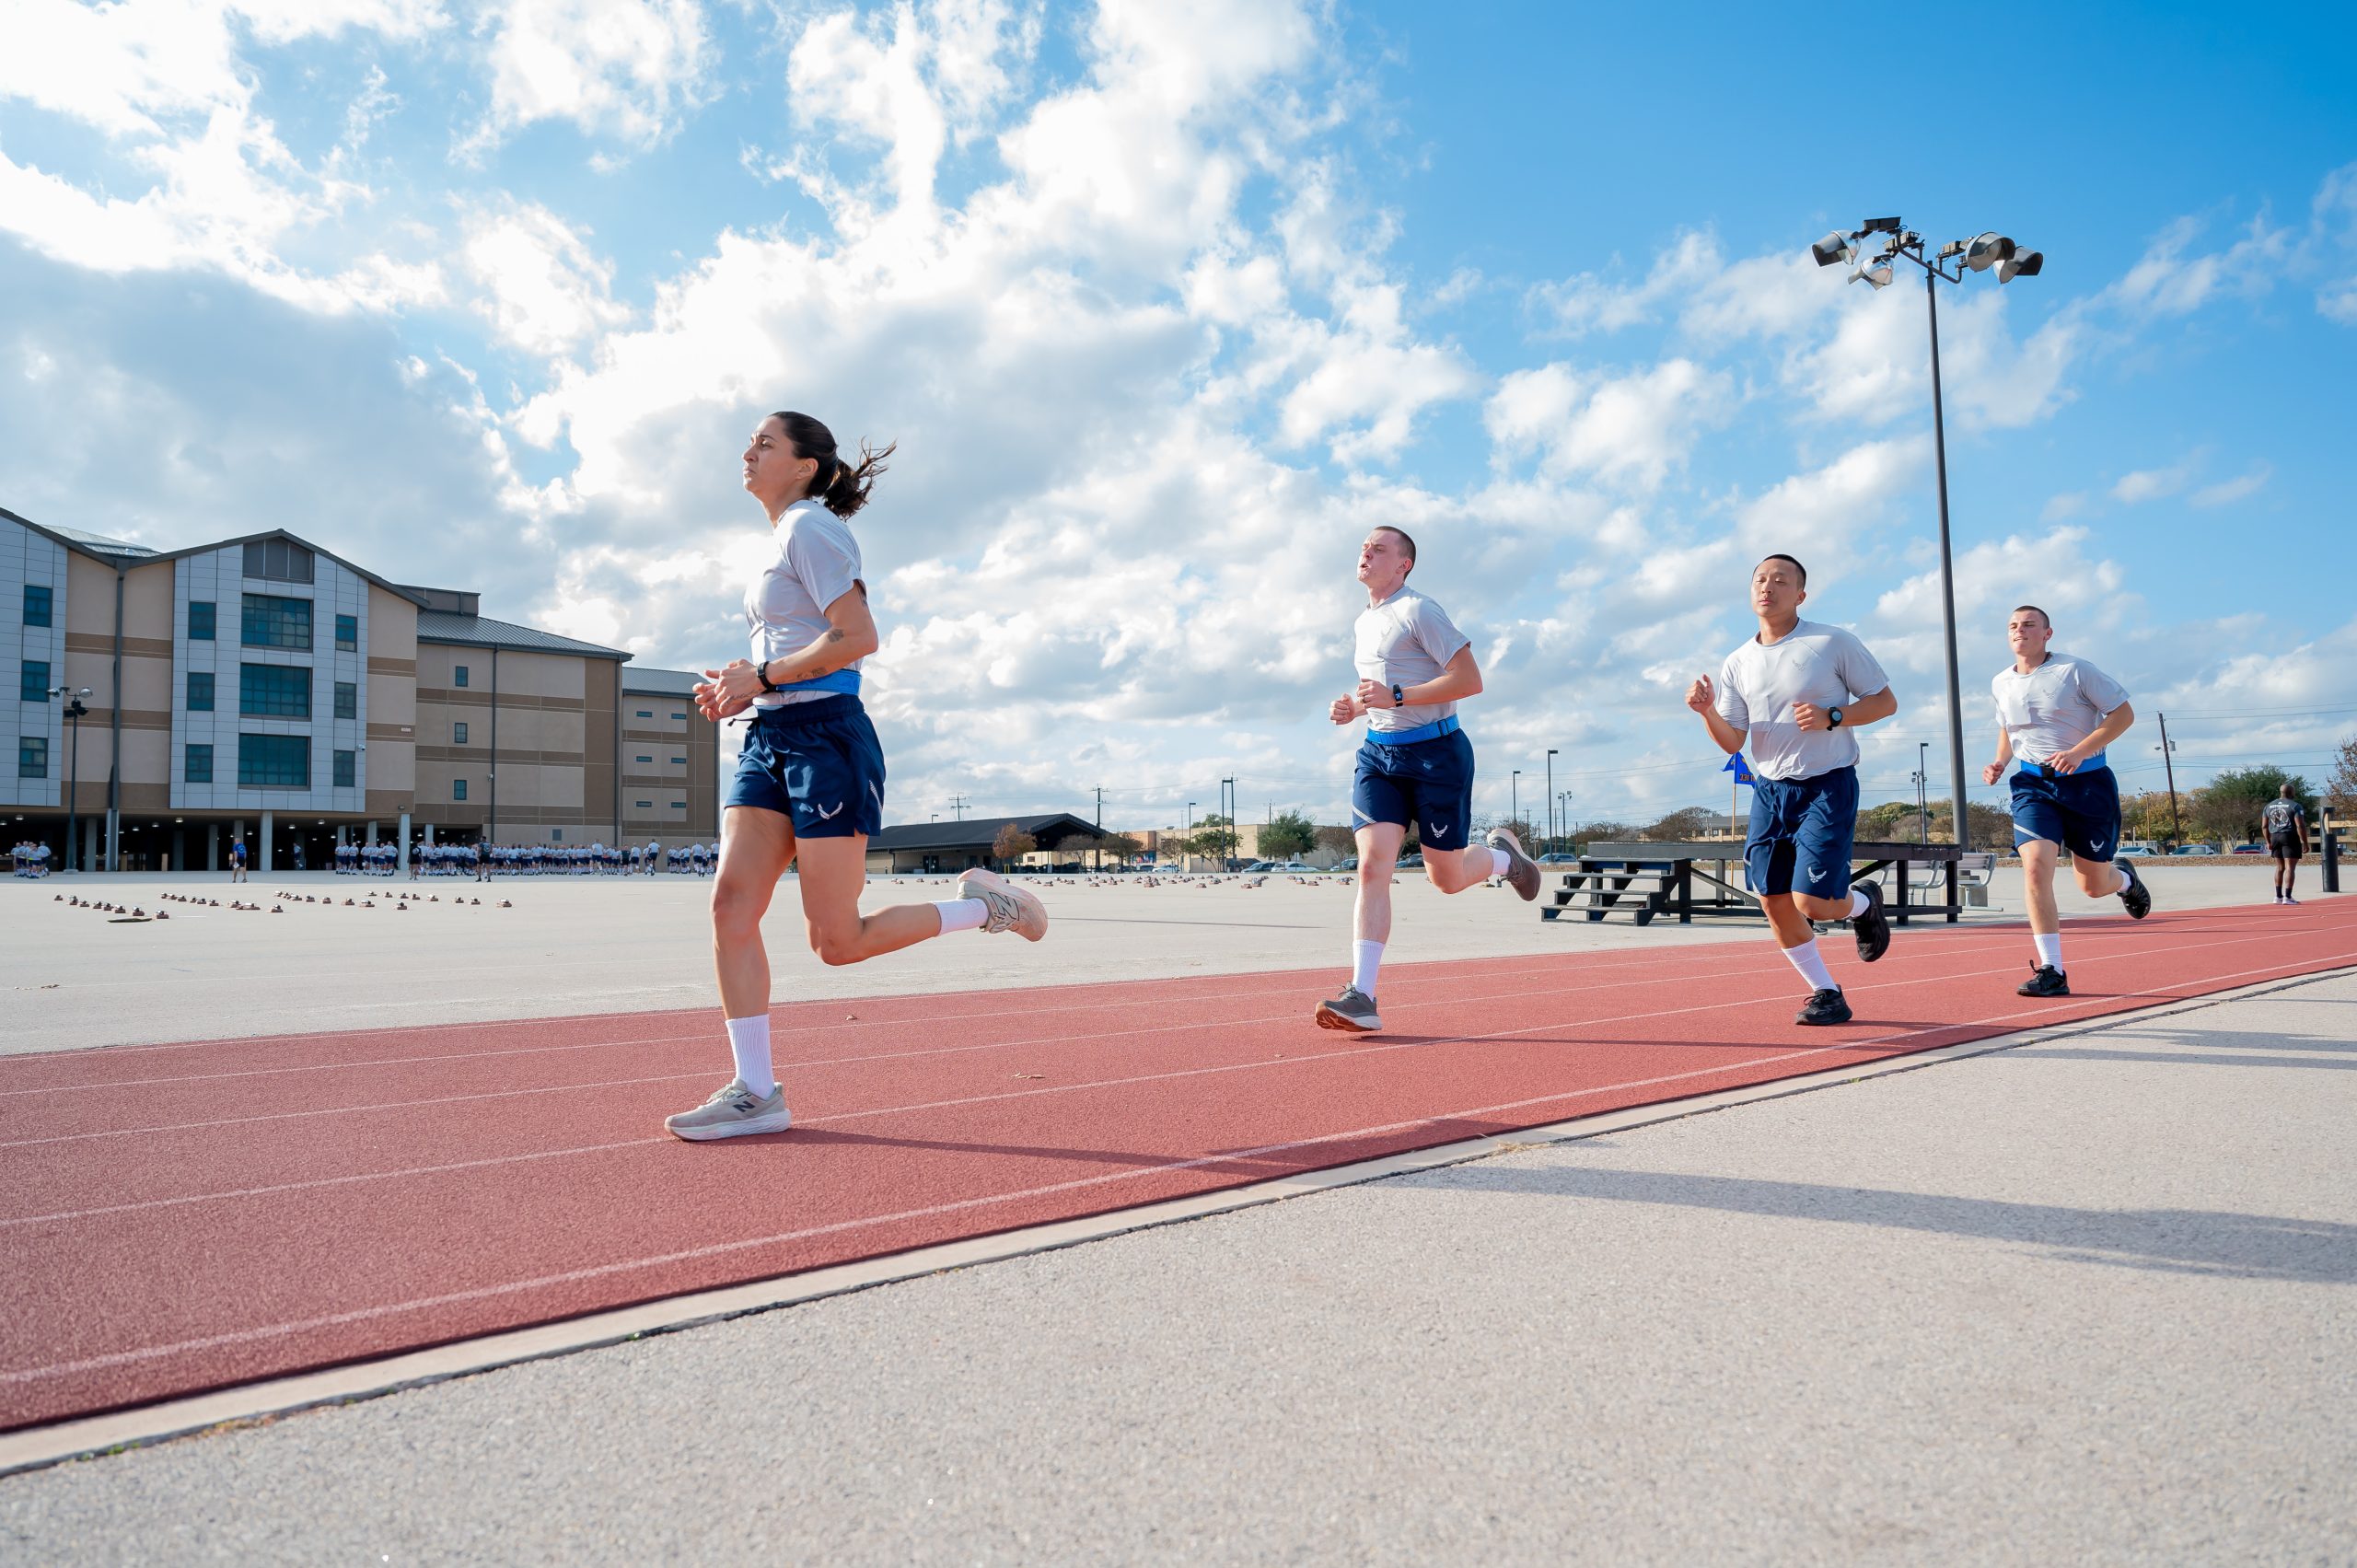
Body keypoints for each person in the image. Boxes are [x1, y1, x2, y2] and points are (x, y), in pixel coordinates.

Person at [667, 411, 1050, 1142]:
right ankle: (756, 1091)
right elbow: (791, 648)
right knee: (730, 907)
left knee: (836, 941)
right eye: (750, 442)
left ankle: (987, 906)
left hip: (827, 741)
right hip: (768, 736)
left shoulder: (812, 527)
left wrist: (766, 673)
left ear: (804, 465)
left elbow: (858, 637)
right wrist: (743, 685)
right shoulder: (778, 541)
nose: (747, 452)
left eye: (765, 444)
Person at [1314, 526, 1539, 1035]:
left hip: (1439, 754)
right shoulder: (1363, 621)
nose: (1366, 553)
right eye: (1364, 547)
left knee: (1447, 879)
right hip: (1379, 755)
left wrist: (1396, 697)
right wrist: (1355, 706)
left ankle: (1504, 858)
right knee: (1373, 866)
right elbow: (1381, 689)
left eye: (1379, 548)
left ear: (1404, 565)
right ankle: (1362, 996)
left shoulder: (1419, 610)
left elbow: (1469, 680)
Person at [1687, 553, 1897, 1026]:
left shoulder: (1831, 642)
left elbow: (1885, 701)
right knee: (1772, 897)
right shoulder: (1738, 661)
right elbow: (1733, 741)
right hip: (1769, 789)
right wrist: (1707, 713)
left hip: (1827, 784)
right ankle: (1826, 992)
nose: (1768, 587)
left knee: (1815, 904)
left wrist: (1833, 716)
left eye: (1781, 581)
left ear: (1800, 595)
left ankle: (1862, 904)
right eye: (1760, 579)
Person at [1981, 605, 2151, 997]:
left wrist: (2078, 752)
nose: (2019, 631)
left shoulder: (2075, 670)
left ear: (2047, 633)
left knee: (2093, 886)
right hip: (2033, 785)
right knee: (2036, 868)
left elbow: (2123, 715)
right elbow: (2008, 729)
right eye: (2012, 626)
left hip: (2088, 783)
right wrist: (2000, 762)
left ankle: (2123, 880)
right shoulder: (2000, 682)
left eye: (2028, 625)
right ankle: (2052, 969)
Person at [2263, 784, 2309, 905]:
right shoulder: (2295, 806)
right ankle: (2287, 897)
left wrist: (2268, 841)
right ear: (2291, 793)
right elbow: (2300, 825)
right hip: (2290, 836)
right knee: (2290, 867)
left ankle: (2278, 896)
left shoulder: (2269, 806)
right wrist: (2305, 841)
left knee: (2279, 868)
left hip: (2275, 837)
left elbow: (2264, 826)